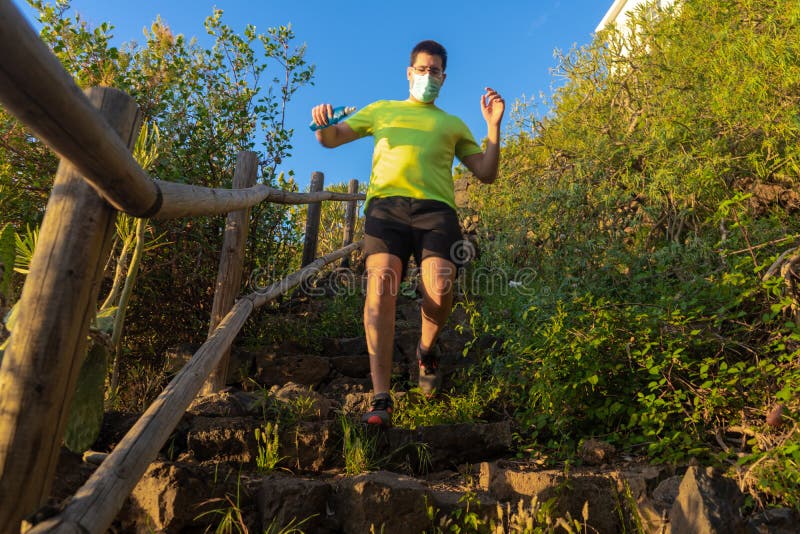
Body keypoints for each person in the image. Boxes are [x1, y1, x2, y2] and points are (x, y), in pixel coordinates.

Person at [311, 40, 504, 427]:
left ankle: (426, 349)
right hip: (387, 209)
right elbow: (331, 140)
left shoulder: (452, 124)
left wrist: (493, 127)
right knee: (380, 286)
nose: (427, 76)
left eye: (435, 71)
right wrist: (322, 123)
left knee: (441, 286)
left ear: (444, 77)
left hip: (437, 212)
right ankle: (381, 397)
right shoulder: (382, 110)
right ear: (409, 72)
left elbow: (485, 173)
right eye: (422, 69)